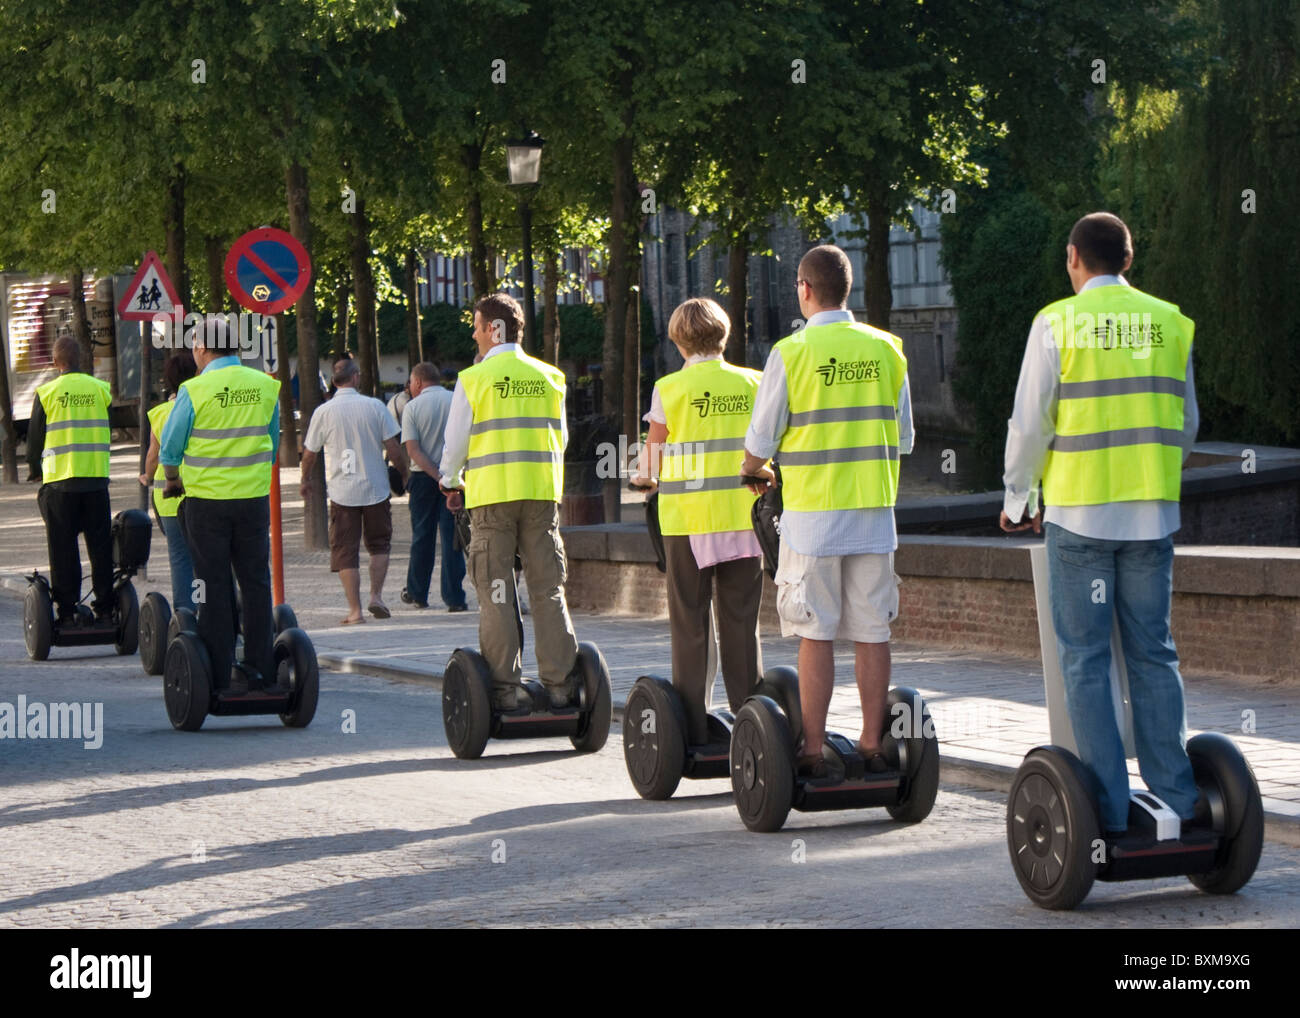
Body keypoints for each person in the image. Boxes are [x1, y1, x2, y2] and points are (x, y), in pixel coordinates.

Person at [1000, 211, 1203, 834]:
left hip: (1081, 517)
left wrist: (1017, 499)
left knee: (1086, 658)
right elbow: (1187, 422)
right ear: (1129, 259)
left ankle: (1109, 810)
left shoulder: (1057, 322)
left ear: (1072, 258)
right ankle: (1176, 799)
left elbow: (1031, 423)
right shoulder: (1169, 322)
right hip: (1150, 515)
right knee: (1153, 652)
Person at [741, 244, 913, 776]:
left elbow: (761, 440)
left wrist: (753, 469)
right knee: (872, 629)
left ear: (805, 288)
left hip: (815, 517)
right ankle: (869, 744)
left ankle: (813, 750)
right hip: (873, 512)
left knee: (816, 630)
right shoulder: (889, 349)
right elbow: (904, 438)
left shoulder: (790, 353)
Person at [632, 298, 764, 745]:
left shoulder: (670, 388)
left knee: (691, 621)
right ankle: (754, 727)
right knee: (741, 622)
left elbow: (652, 457)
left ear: (678, 340)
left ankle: (691, 727)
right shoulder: (754, 382)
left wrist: (643, 478)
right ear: (723, 335)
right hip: (744, 519)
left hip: (688, 523)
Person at [439, 292, 578, 710]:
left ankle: (505, 688)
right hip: (541, 494)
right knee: (547, 588)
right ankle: (560, 685)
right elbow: (562, 436)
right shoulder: (551, 376)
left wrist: (451, 481)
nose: (476, 336)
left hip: (493, 500)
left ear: (493, 329)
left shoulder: (474, 379)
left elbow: (455, 443)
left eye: (478, 327)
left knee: (497, 589)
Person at [159, 316, 280, 694]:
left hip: (207, 504)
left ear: (203, 347)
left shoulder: (194, 390)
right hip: (253, 503)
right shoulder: (265, 385)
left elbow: (170, 449)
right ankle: (260, 670)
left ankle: (217, 667)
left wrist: (173, 479)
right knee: (257, 583)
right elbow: (272, 444)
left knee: (208, 585)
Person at [300, 357, 409, 624]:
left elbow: (309, 454)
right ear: (356, 377)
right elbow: (393, 448)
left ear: (335, 381)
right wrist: (404, 474)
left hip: (342, 492)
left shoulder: (323, 412)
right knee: (379, 544)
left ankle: (355, 611)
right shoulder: (374, 406)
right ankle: (376, 597)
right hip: (376, 488)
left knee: (345, 550)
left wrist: (305, 479)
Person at [28, 336, 114, 623]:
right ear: (81, 359)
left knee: (62, 547)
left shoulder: (47, 392)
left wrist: (35, 469)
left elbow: (35, 440)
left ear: (55, 362)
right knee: (100, 546)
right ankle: (105, 606)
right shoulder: (101, 390)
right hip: (96, 480)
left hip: (60, 483)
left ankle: (66, 610)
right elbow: (107, 426)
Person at [401, 361, 466, 611]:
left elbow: (413, 450)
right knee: (453, 538)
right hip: (456, 477)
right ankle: (454, 598)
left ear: (417, 381)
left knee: (422, 536)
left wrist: (436, 475)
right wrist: (449, 475)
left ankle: (418, 593)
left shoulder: (412, 408)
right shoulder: (456, 402)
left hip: (423, 479)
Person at [139, 352, 199, 612]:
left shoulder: (160, 412)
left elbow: (153, 454)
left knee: (180, 557)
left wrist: (147, 476)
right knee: (206, 556)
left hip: (169, 498)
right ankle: (209, 608)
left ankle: (185, 615)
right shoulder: (201, 403)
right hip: (200, 491)